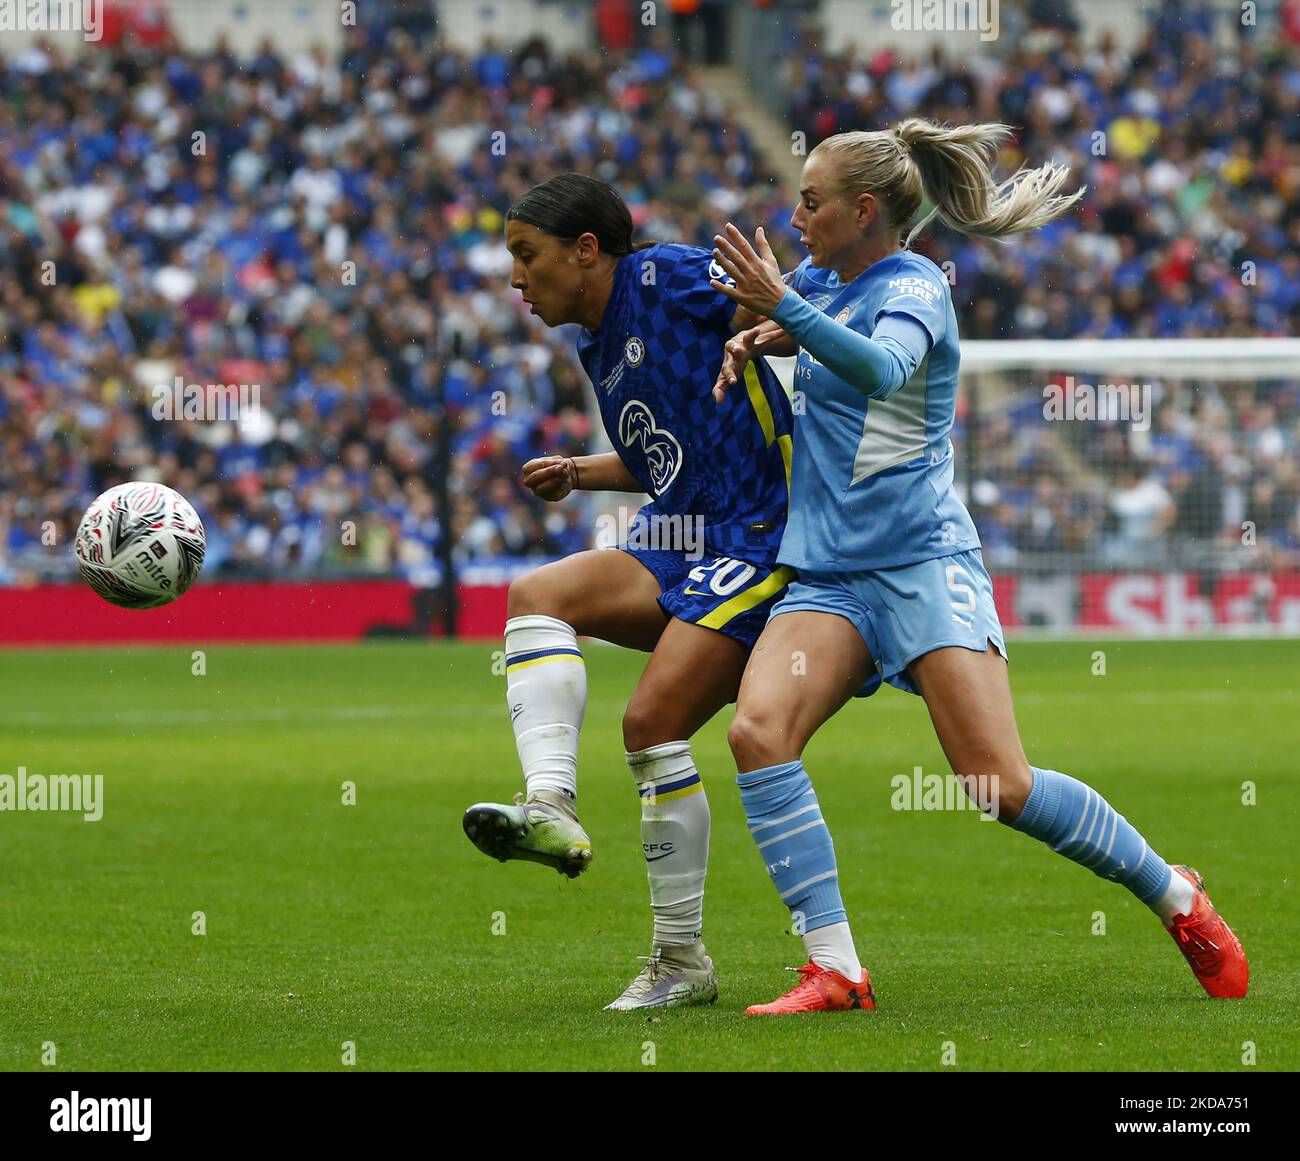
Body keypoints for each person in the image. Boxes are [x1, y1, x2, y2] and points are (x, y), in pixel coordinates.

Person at [709, 119, 1248, 1013]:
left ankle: (1175, 893)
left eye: (811, 201)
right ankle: (836, 966)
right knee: (757, 733)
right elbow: (799, 320)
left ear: (864, 209)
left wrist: (787, 315)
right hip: (832, 575)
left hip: (922, 564)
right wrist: (761, 327)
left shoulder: (917, 287)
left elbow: (883, 369)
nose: (796, 216)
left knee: (998, 784)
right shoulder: (819, 281)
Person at [462, 173, 796, 1009]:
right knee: (537, 593)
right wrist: (582, 471)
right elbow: (662, 460)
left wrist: (772, 319)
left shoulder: (665, 276)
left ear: (585, 251)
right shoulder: (601, 345)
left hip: (759, 532)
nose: (515, 279)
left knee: (650, 723)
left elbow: (787, 317)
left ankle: (681, 960)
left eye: (525, 255)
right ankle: (549, 802)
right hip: (680, 530)